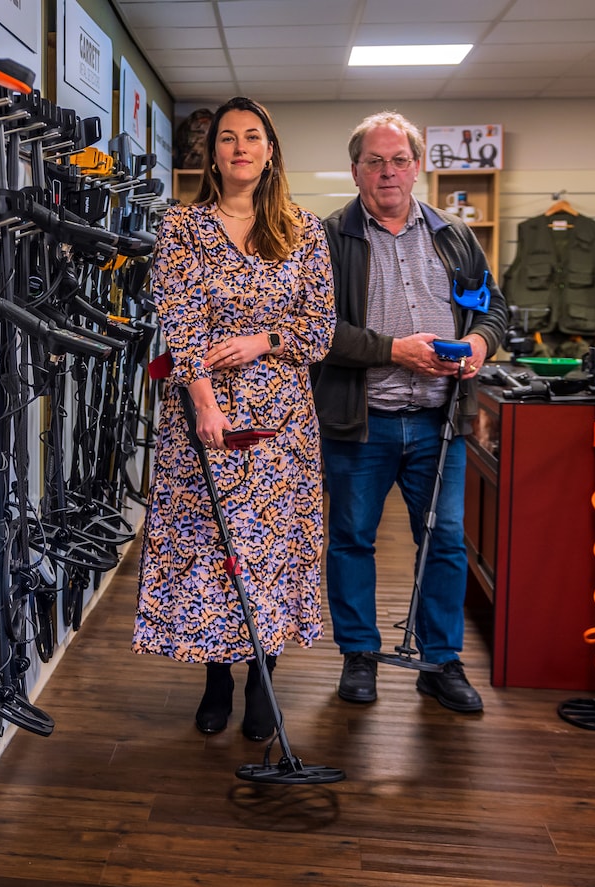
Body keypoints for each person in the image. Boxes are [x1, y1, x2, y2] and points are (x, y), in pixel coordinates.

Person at [133, 97, 335, 740]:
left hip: (281, 419)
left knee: (268, 548)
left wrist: (263, 341)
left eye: (253, 137)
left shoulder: (305, 230)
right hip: (203, 416)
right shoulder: (181, 228)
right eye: (227, 138)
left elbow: (320, 328)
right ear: (212, 153)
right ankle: (217, 676)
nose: (240, 147)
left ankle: (263, 680)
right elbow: (181, 320)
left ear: (271, 151)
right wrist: (205, 407)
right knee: (213, 547)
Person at [315, 110, 507, 713]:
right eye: (375, 161)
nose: (388, 172)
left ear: (417, 168)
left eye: (399, 160)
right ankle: (359, 655)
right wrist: (394, 351)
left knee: (445, 541)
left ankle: (440, 662)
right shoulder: (326, 238)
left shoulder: (453, 234)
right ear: (355, 171)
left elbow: (494, 308)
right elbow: (314, 329)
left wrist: (477, 344)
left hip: (439, 421)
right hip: (360, 420)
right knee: (350, 539)